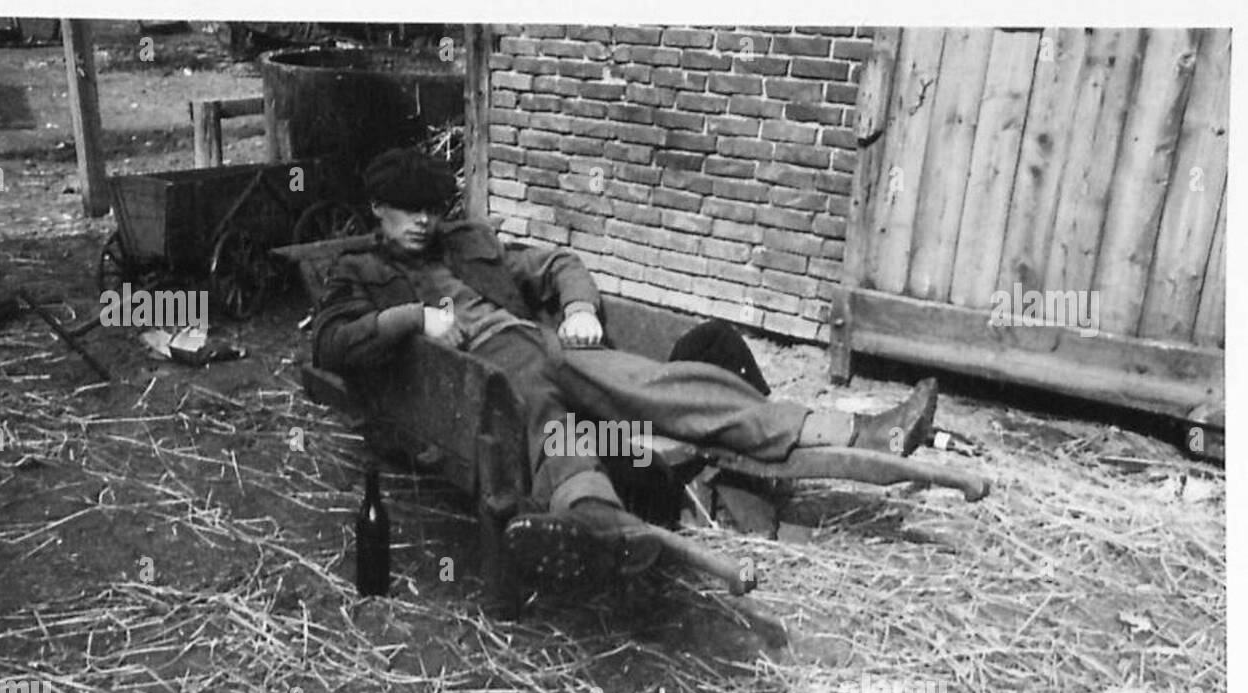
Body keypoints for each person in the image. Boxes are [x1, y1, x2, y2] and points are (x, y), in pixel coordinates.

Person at [312, 149, 938, 581]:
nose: (423, 220)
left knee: (655, 385)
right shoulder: (359, 272)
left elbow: (556, 265)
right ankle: (602, 517)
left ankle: (846, 434)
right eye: (406, 207)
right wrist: (414, 320)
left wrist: (580, 307)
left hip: (550, 350)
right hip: (488, 372)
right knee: (554, 398)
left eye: (431, 206)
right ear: (377, 209)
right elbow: (332, 344)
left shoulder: (472, 243)